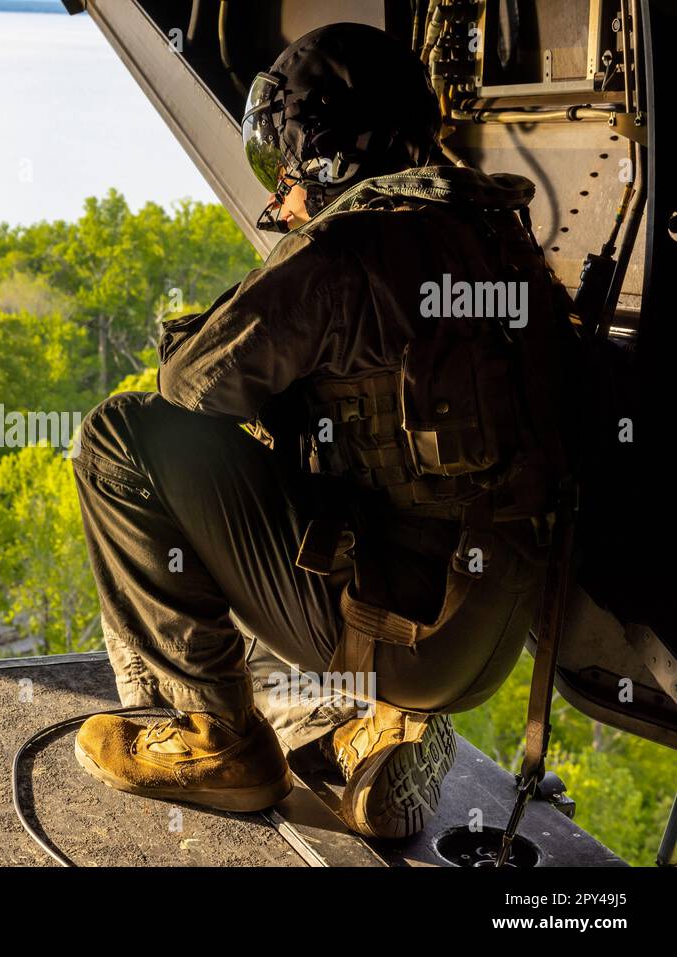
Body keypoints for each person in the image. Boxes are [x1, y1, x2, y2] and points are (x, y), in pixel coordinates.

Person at [69, 22, 576, 839]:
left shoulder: (347, 249)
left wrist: (291, 255)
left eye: (290, 164)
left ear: (328, 156)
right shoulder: (500, 236)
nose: (284, 189)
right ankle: (368, 729)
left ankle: (216, 739)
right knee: (323, 472)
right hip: (495, 626)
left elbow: (188, 383)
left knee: (118, 440)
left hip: (400, 630)